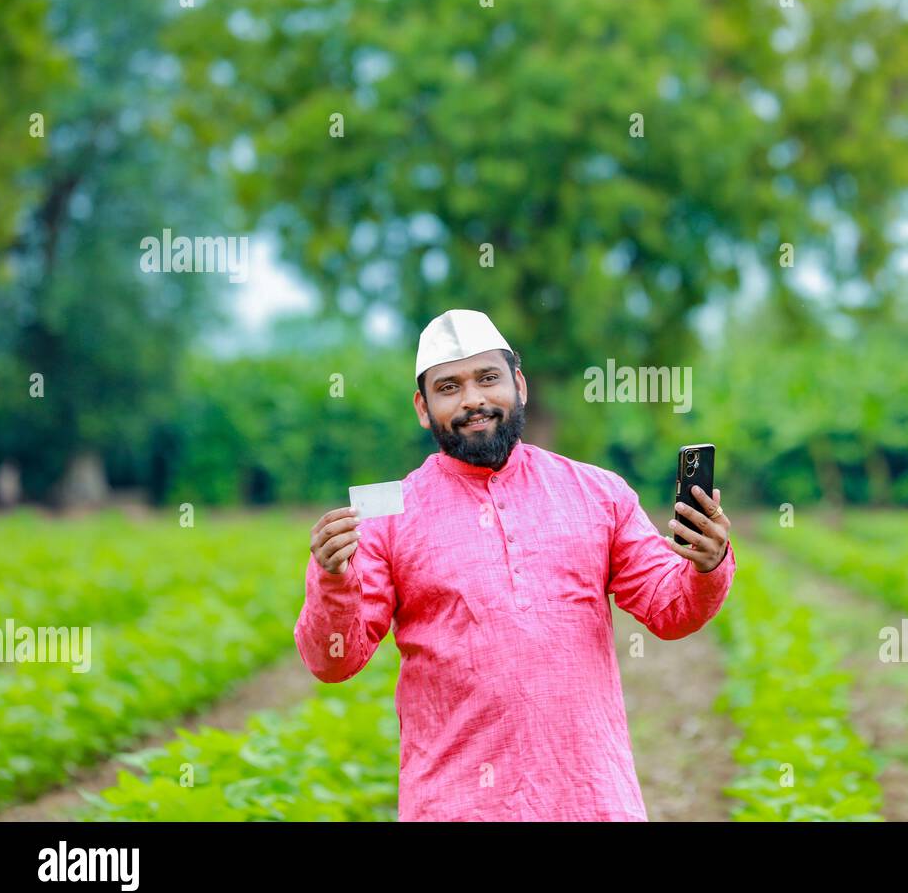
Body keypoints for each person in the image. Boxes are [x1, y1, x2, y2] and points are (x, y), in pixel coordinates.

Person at [297, 308, 736, 821]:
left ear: (519, 385)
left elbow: (671, 610)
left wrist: (707, 564)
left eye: (488, 379)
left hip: (590, 800)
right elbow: (333, 660)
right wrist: (333, 579)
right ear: (423, 407)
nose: (473, 400)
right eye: (449, 387)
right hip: (455, 805)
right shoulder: (388, 511)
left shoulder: (597, 492)